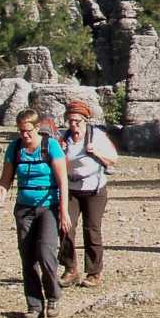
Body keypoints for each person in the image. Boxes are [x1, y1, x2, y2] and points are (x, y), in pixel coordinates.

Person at [0, 108, 71, 318]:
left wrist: (63, 212)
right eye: (21, 131)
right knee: (28, 258)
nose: (24, 135)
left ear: (37, 128)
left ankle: (53, 297)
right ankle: (34, 305)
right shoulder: (15, 149)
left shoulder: (50, 146)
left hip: (48, 207)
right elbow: (5, 180)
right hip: (24, 209)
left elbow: (62, 181)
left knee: (46, 253)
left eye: (28, 131)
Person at [57, 100, 116, 289]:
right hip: (71, 189)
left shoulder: (96, 136)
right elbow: (55, 163)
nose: (73, 125)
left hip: (94, 190)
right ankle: (70, 269)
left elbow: (113, 160)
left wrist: (96, 153)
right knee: (66, 227)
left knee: (92, 230)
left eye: (77, 121)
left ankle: (94, 272)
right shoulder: (62, 139)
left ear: (85, 120)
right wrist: (61, 153)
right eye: (71, 121)